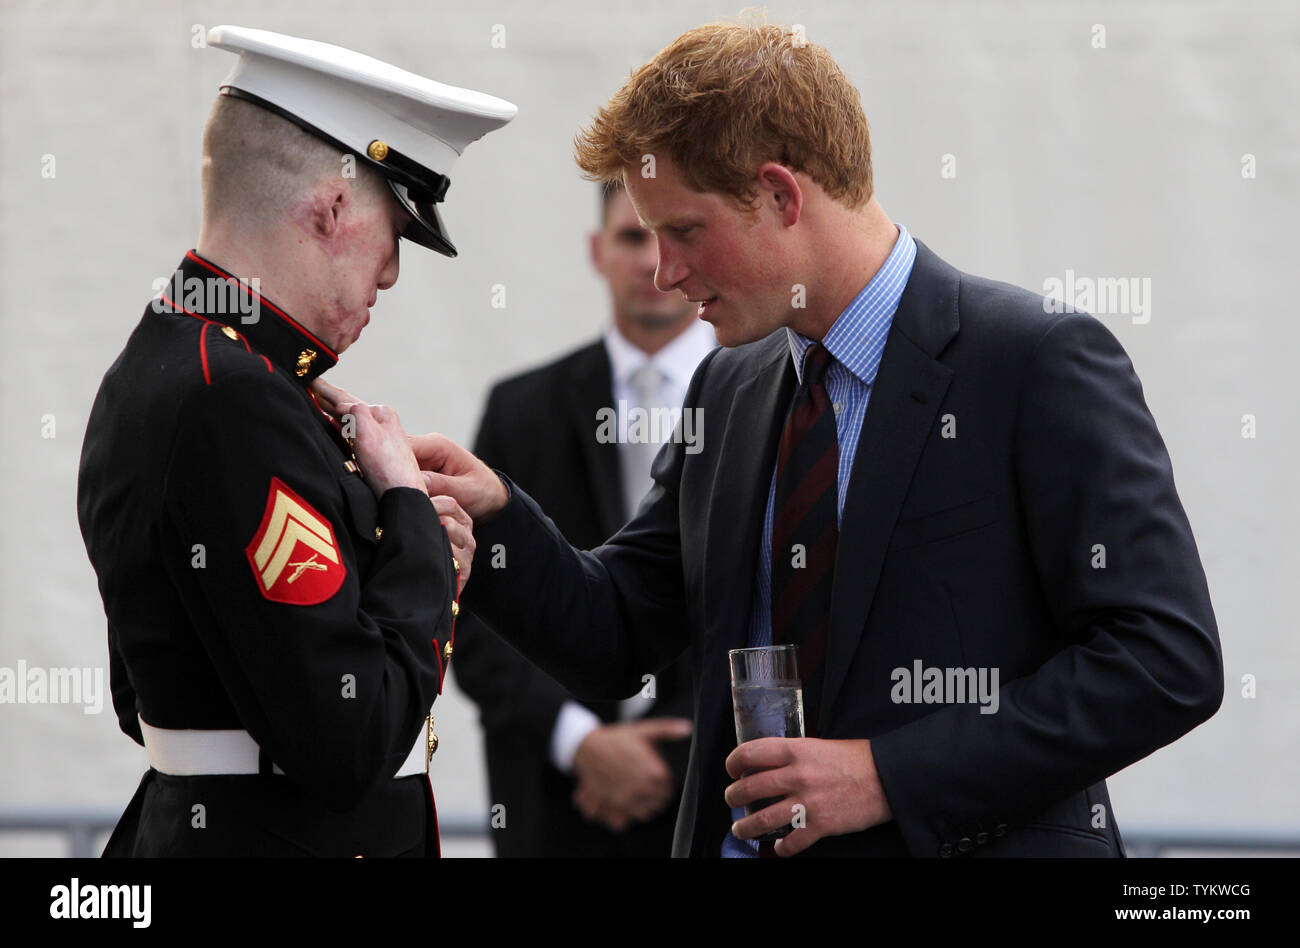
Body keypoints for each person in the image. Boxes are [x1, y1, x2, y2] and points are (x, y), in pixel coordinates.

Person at [406, 21, 1223, 858]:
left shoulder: (1034, 360)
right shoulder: (728, 386)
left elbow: (1165, 661)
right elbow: (620, 633)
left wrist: (887, 776)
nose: (663, 273)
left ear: (781, 196)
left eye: (683, 231)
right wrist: (495, 516)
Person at [76, 25, 514, 857]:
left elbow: (149, 692)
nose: (391, 274)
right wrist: (411, 522)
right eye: (398, 231)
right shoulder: (233, 398)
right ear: (334, 206)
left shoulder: (174, 360)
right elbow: (351, 741)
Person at [453, 180, 712, 856]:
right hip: (552, 803)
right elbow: (472, 610)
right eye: (632, 237)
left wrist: (671, 758)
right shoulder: (521, 409)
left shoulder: (763, 402)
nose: (654, 262)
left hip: (714, 796)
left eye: (674, 235)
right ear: (597, 251)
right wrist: (582, 742)